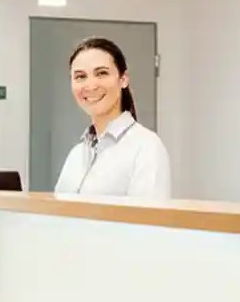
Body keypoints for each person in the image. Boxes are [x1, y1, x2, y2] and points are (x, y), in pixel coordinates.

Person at [53, 37, 172, 199]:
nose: (91, 86)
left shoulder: (146, 147)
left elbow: (150, 221)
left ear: (123, 80)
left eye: (101, 73)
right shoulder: (77, 153)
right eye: (80, 76)